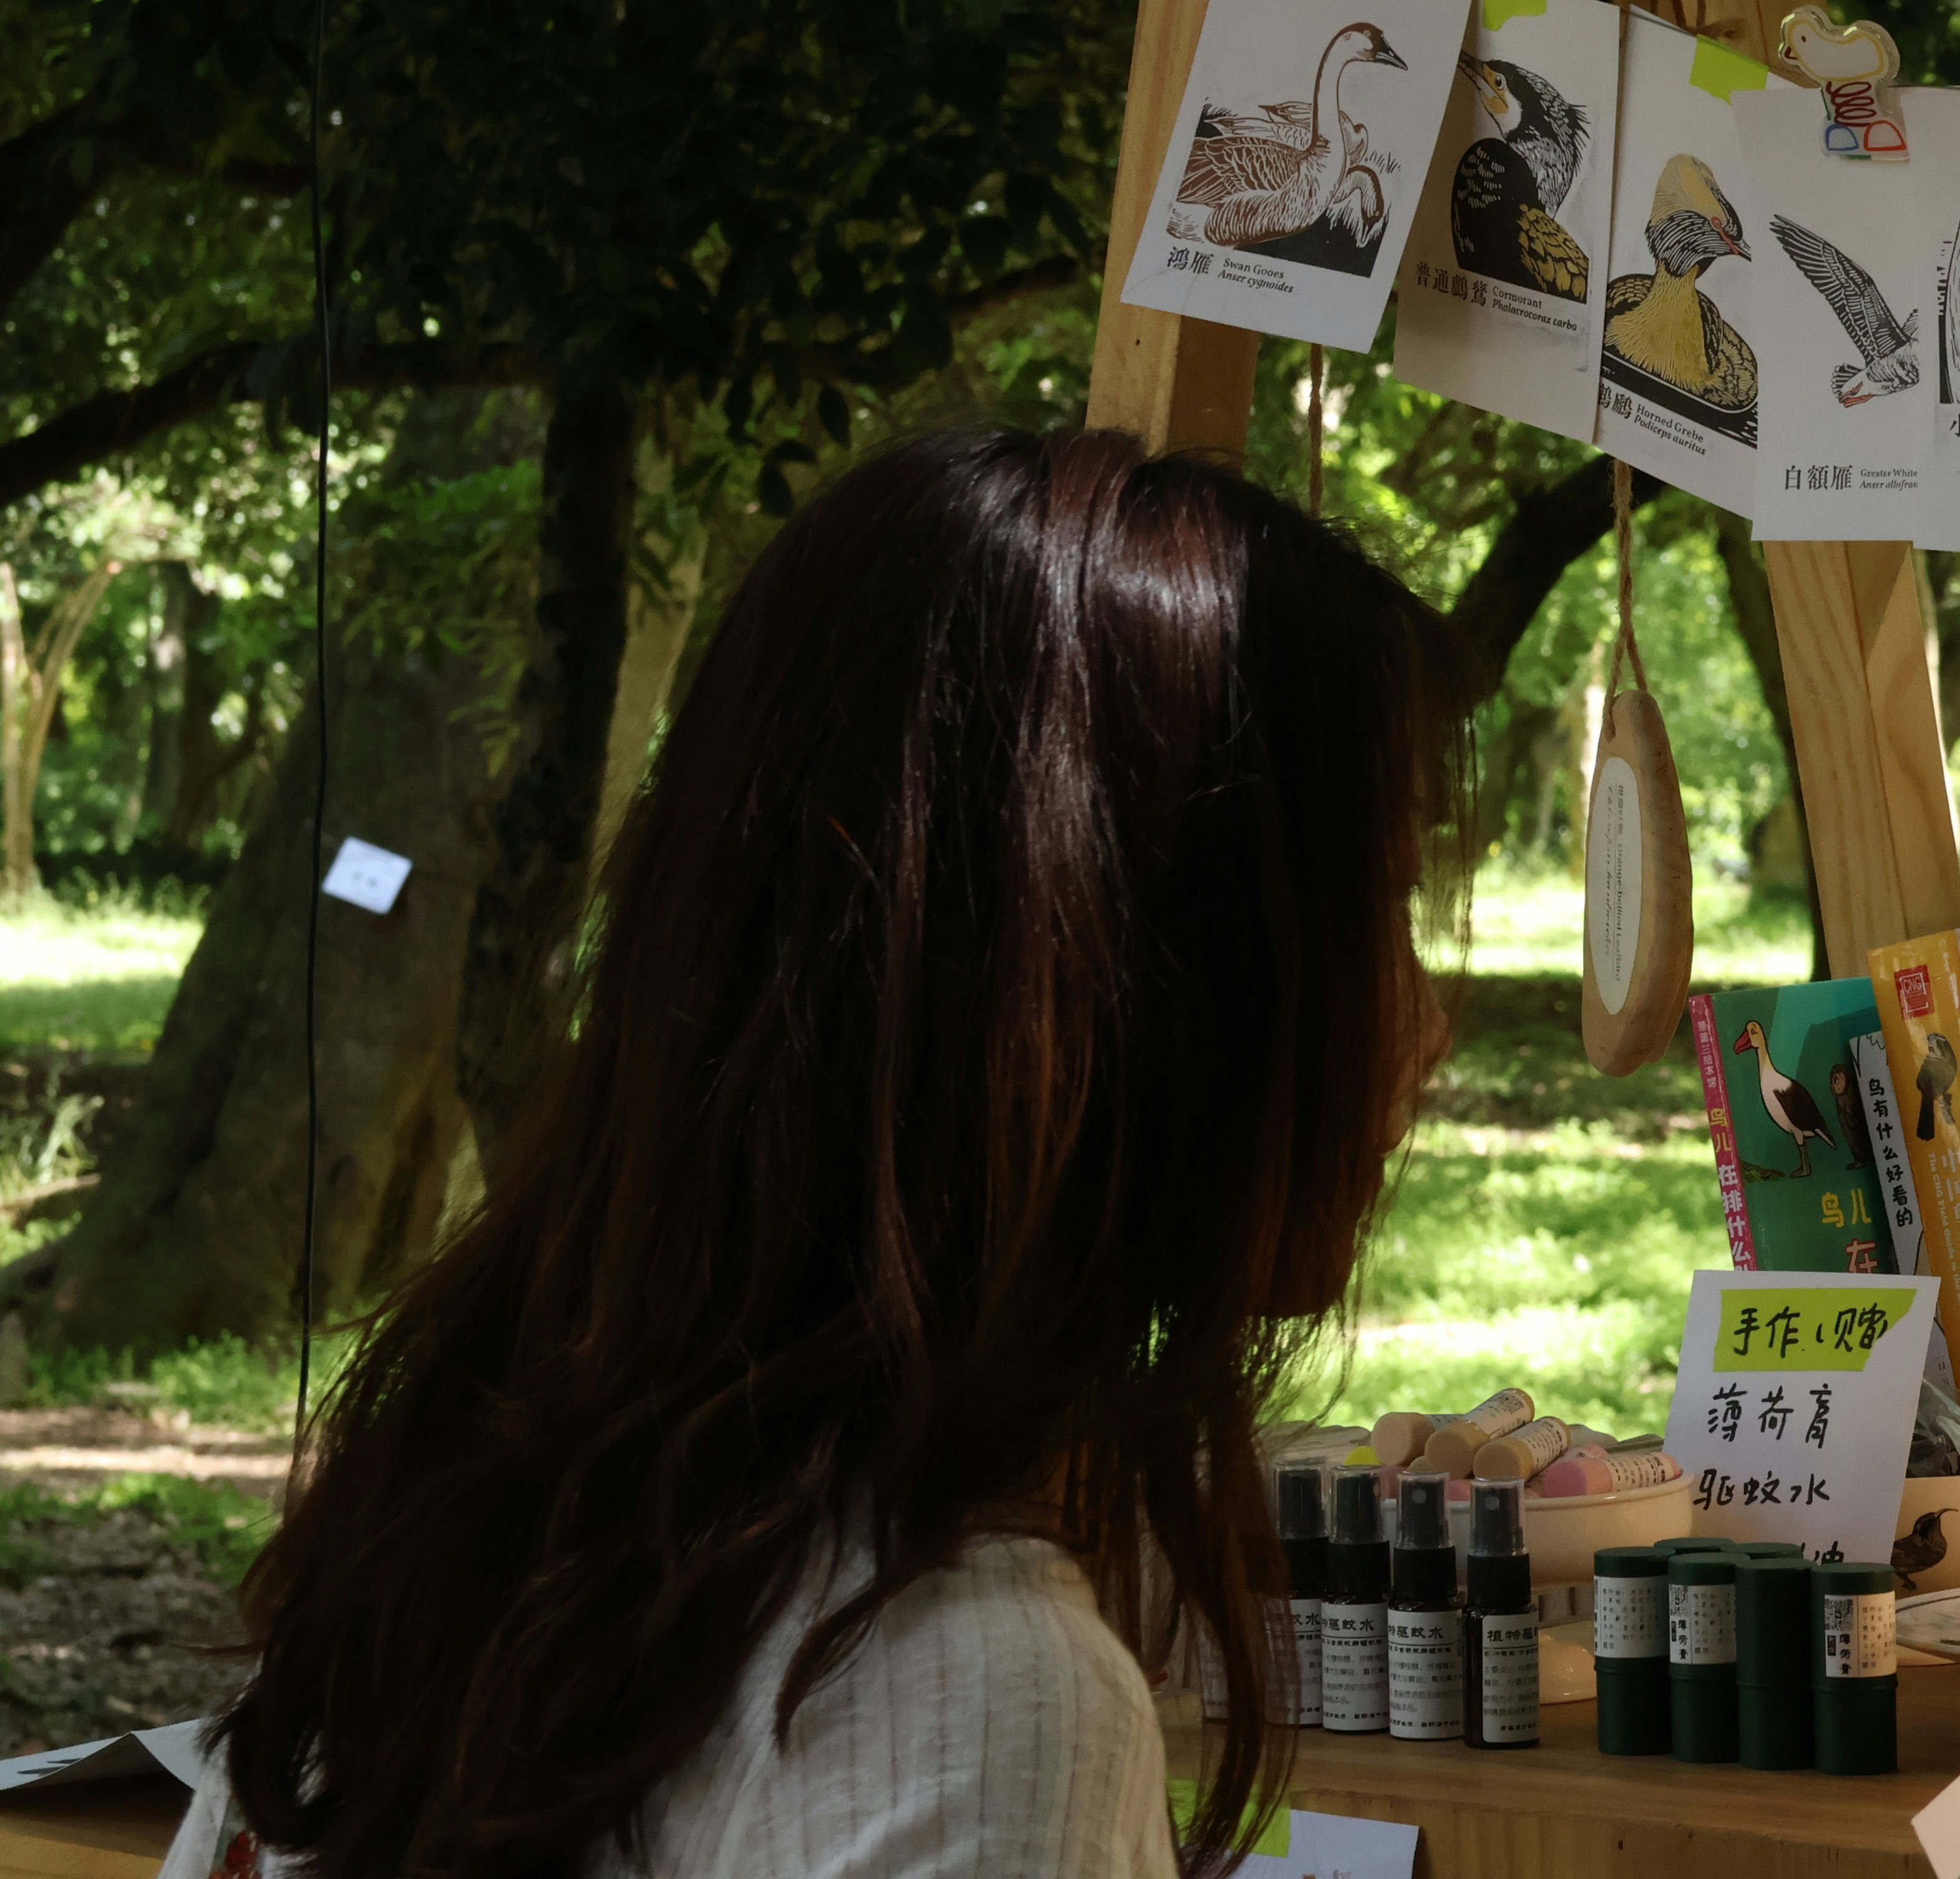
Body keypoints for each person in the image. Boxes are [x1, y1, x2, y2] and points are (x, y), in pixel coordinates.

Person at [165, 427, 1465, 1877]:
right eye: (1390, 907)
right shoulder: (979, 1695)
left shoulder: (477, 1516)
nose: (1425, 1024)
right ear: (1139, 987)